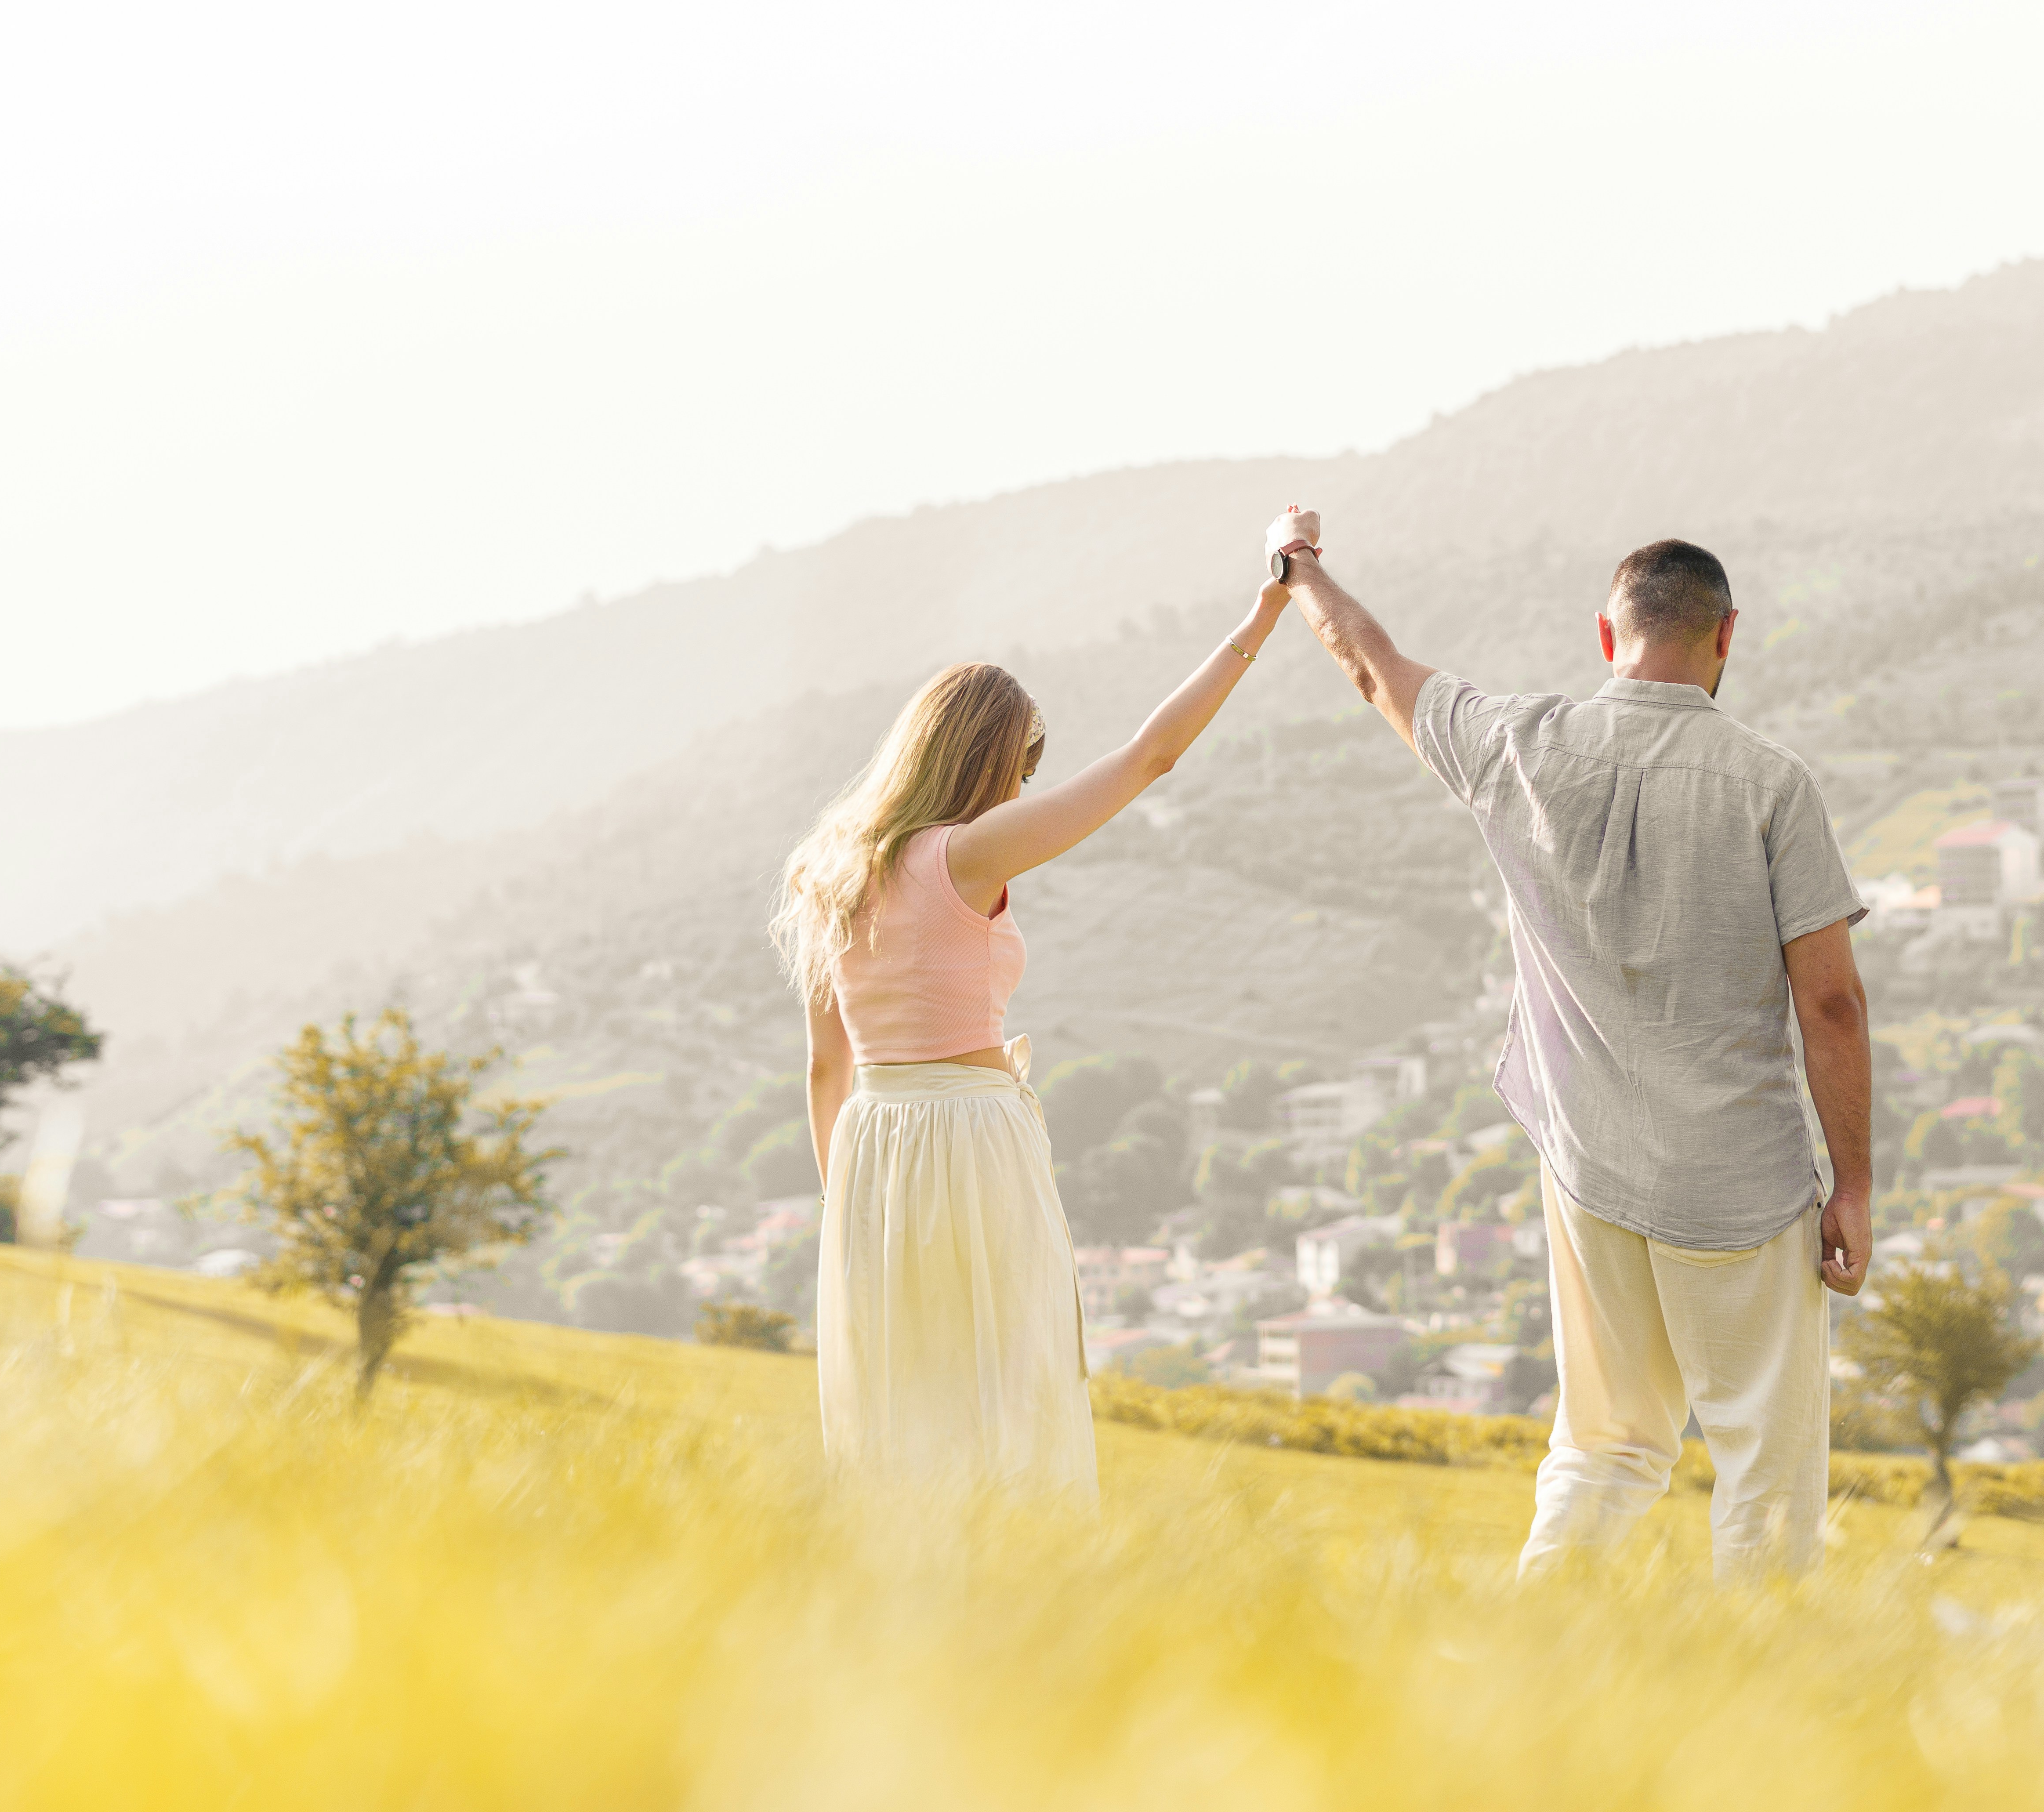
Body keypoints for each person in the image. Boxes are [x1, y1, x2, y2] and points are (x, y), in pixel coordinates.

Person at [1267, 507, 1874, 1582]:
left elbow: (1371, 665)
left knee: (1603, 1447)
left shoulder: (1519, 745)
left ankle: (1533, 1658)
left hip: (1589, 1171)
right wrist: (1855, 1186)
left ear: (1608, 638)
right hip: (1739, 1182)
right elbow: (1829, 1006)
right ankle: (1775, 1706)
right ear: (1728, 635)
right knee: (1765, 1469)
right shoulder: (1772, 785)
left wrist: (1299, 565)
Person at [768, 570, 1294, 1500]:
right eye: (1020, 769)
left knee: (905, 1397)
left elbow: (824, 1067)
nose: (1022, 788)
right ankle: (1024, 1590)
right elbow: (1149, 757)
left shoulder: (829, 873)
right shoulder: (968, 855)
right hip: (971, 1137)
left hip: (868, 1152)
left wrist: (844, 1204)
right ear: (985, 761)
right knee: (1008, 1385)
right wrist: (1263, 617)